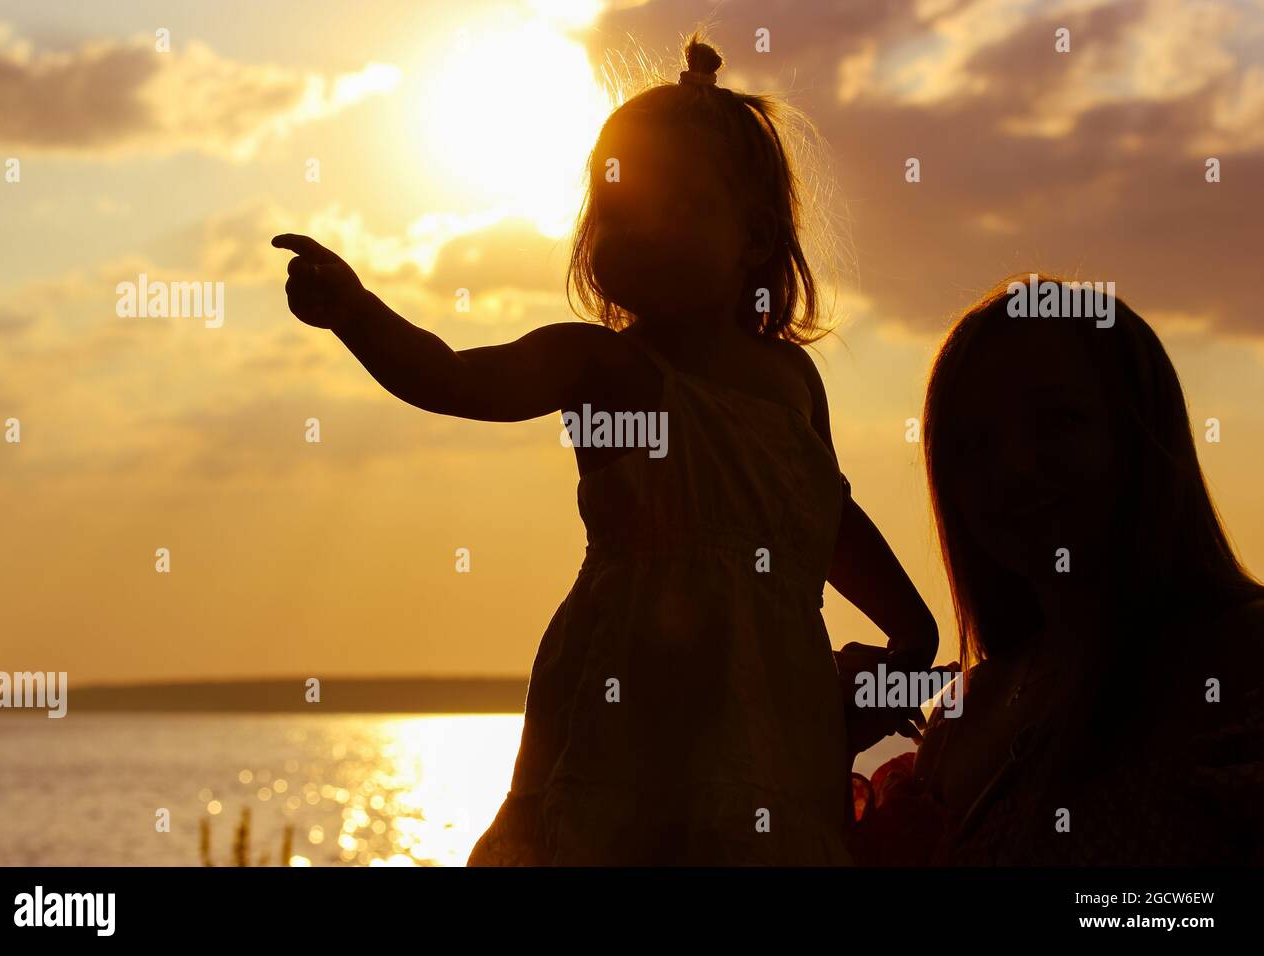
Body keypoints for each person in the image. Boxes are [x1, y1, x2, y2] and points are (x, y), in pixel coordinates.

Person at [272, 34, 936, 865]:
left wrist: (913, 631)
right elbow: (450, 377)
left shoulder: (792, 380)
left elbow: (822, 510)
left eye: (681, 205)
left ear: (756, 238)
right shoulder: (602, 364)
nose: (643, 227)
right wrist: (356, 312)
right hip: (629, 715)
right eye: (617, 209)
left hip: (772, 721)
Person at [853, 274, 1264, 865]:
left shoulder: (1239, 662)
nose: (1016, 467)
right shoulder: (961, 722)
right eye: (975, 443)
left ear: (1142, 438)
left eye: (1059, 422)